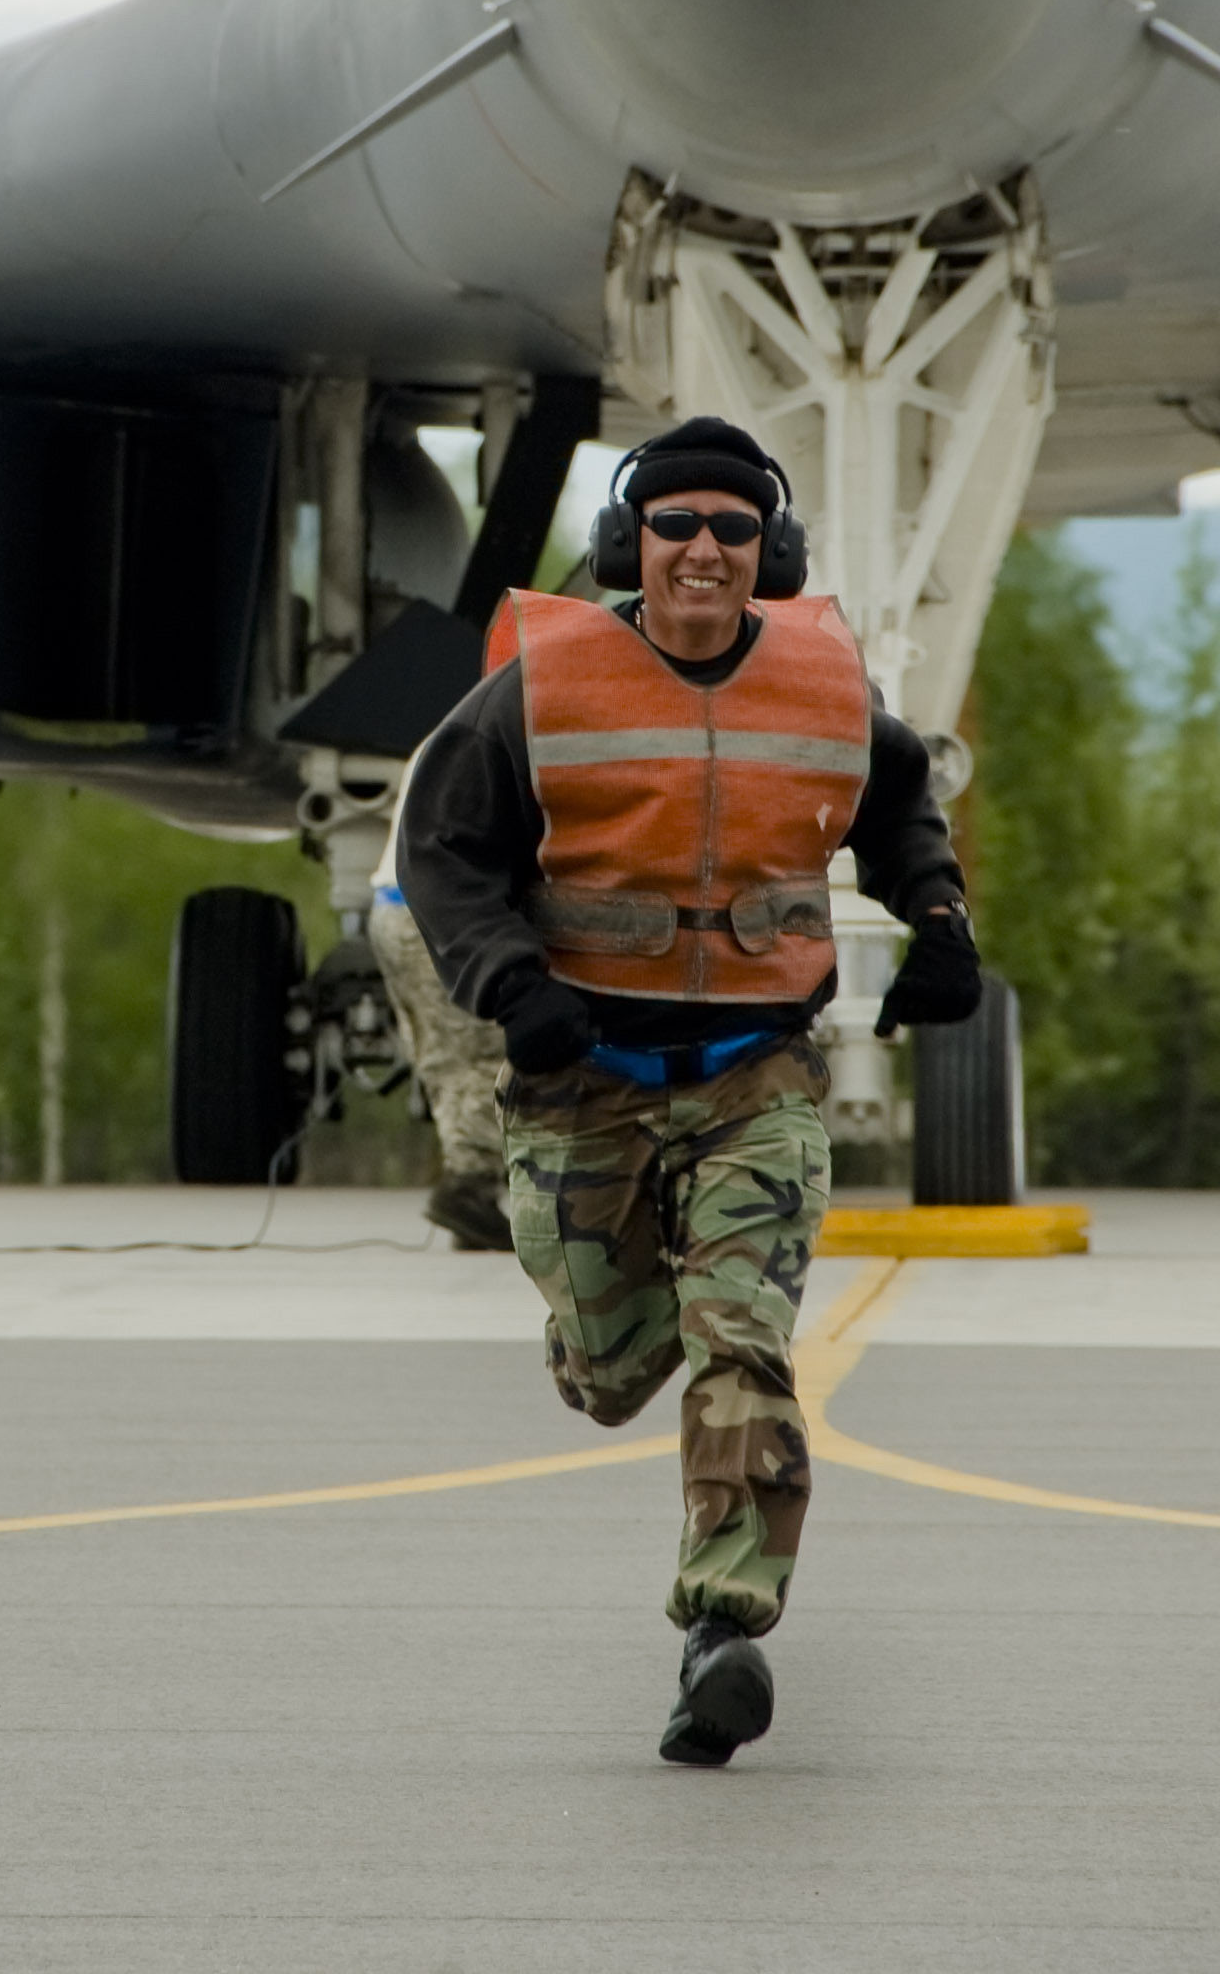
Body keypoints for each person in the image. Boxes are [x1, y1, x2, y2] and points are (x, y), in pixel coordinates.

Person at [397, 415, 982, 1767]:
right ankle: (602, 1337)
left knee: (744, 1341)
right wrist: (507, 986)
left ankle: (723, 1631)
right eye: (677, 524)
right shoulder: (544, 686)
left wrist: (940, 918)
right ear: (631, 543)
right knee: (613, 1374)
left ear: (766, 548)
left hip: (754, 1080)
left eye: (732, 526)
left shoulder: (826, 686)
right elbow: (444, 849)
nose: (704, 548)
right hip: (584, 1077)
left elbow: (898, 808)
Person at [369, 759, 510, 1251]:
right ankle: (468, 1186)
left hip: (393, 906)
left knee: (444, 1057)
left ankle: (477, 1188)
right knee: (486, 1049)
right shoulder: (499, 728)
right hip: (435, 912)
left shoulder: (450, 730)